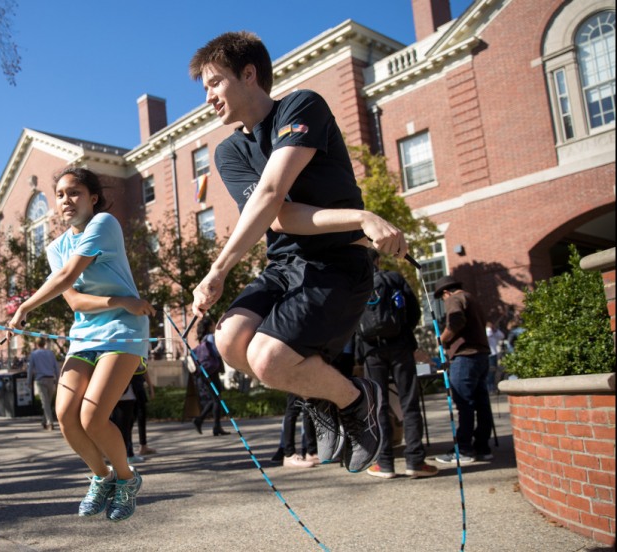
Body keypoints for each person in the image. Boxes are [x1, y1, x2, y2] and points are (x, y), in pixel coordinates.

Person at [188, 31, 409, 473]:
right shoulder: (230, 151)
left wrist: (219, 268)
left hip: (337, 264)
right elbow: (278, 217)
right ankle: (323, 398)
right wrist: (360, 215)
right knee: (229, 340)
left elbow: (272, 191)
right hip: (285, 264)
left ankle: (358, 399)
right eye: (205, 88)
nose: (208, 97)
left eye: (214, 83)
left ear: (249, 74)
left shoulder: (301, 106)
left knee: (268, 359)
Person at [7, 167, 155, 522]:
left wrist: (26, 306)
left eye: (74, 192)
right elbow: (73, 299)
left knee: (92, 416)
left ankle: (127, 478)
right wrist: (120, 299)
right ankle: (101, 477)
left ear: (92, 197)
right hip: (86, 335)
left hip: (123, 332)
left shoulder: (103, 224)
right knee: (65, 416)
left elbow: (68, 275)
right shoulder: (56, 246)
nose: (65, 200)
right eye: (59, 195)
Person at [357, 250, 438, 479]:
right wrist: (403, 332)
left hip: (371, 351)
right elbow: (413, 311)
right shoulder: (393, 279)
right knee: (409, 402)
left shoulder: (356, 284)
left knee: (378, 405)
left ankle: (384, 463)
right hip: (401, 346)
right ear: (377, 261)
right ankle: (416, 461)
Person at [433, 276, 494, 464]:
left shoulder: (454, 299)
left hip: (465, 356)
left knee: (464, 403)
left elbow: (456, 321)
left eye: (442, 299)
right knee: (481, 402)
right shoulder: (471, 298)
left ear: (445, 293)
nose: (444, 302)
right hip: (481, 355)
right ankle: (482, 446)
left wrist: (442, 339)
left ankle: (464, 449)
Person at [191, 316, 229, 437]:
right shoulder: (211, 338)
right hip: (212, 371)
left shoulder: (202, 340)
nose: (215, 326)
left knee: (216, 399)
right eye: (213, 324)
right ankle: (214, 426)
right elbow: (216, 352)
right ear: (209, 326)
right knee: (217, 399)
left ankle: (205, 422)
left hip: (205, 372)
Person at [272, 394, 318, 467]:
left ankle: (312, 452)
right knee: (293, 409)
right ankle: (289, 455)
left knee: (309, 408)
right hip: (296, 383)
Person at [28, 338, 60, 431]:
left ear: (37, 344)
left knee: (46, 403)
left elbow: (30, 369)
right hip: (51, 379)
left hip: (40, 379)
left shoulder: (34, 354)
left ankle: (49, 422)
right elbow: (56, 368)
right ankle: (45, 421)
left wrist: (29, 381)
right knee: (47, 402)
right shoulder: (50, 353)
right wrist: (58, 380)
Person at [485, 321, 505, 392]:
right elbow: (487, 335)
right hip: (487, 354)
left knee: (493, 371)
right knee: (488, 371)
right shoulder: (486, 330)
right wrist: (490, 328)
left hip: (493, 353)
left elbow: (501, 336)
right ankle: (489, 387)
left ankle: (492, 387)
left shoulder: (494, 331)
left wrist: (495, 330)